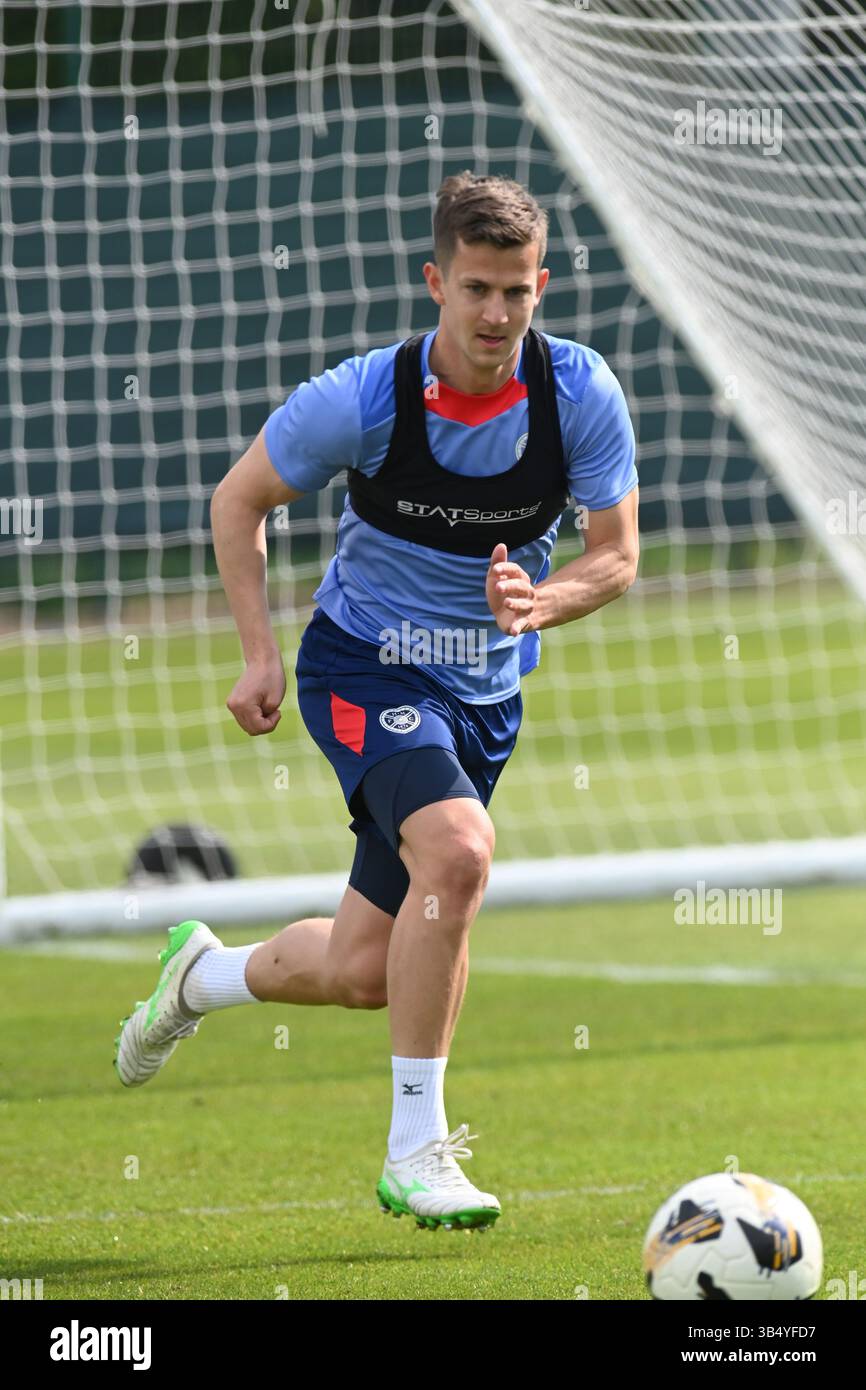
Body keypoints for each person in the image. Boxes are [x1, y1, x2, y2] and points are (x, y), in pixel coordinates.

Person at [114, 170, 639, 1233]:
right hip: (363, 668)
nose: (495, 315)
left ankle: (199, 978)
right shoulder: (362, 396)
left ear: (540, 288)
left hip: (482, 696)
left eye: (516, 293)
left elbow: (617, 557)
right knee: (460, 851)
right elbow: (240, 498)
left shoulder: (578, 394)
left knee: (363, 969)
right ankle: (417, 1150)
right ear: (434, 281)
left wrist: (537, 601)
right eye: (476, 289)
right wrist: (258, 654)